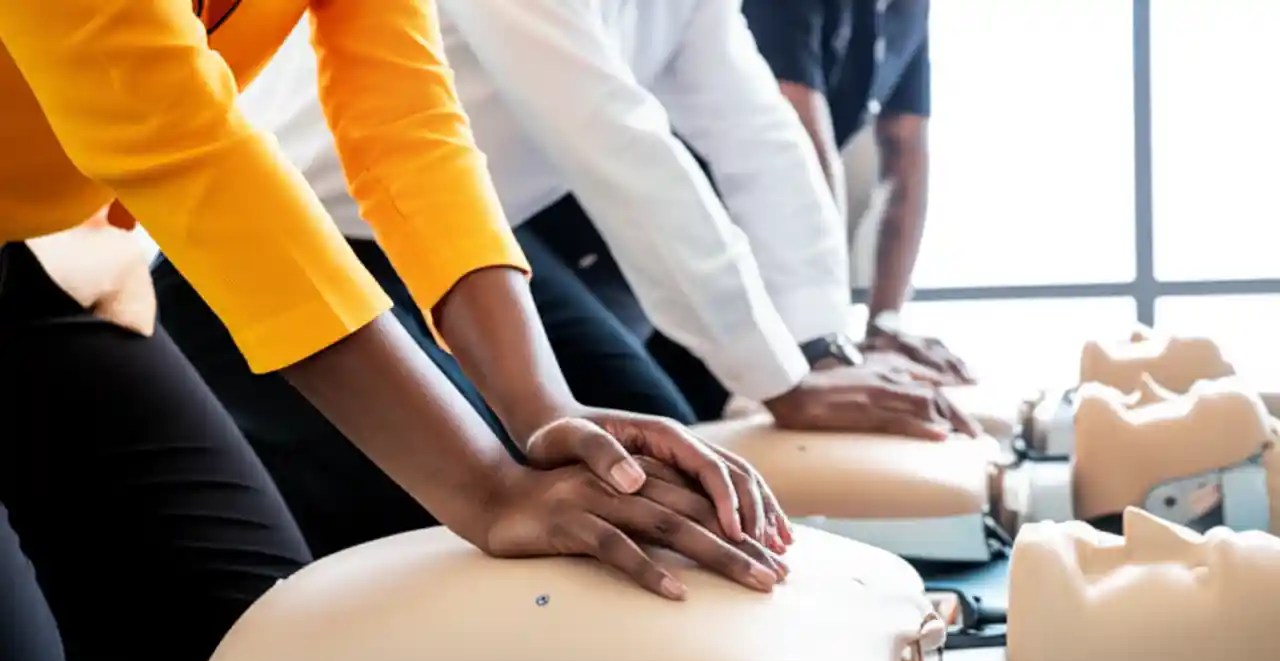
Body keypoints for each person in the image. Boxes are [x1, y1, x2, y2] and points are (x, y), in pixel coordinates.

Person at [0, 2, 786, 661]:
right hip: (138, 220)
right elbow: (184, 136)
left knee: (252, 643)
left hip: (60, 266)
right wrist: (485, 485)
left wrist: (543, 408)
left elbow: (407, 120)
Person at [211, 0, 979, 446]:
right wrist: (781, 380)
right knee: (501, 478)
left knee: (660, 433)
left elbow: (757, 135)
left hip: (461, 244)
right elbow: (614, 139)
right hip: (315, 240)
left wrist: (818, 344)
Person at [742, 0, 971, 379]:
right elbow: (804, 158)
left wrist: (885, 324)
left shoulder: (909, 9)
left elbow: (906, 156)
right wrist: (827, 340)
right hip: (680, 239)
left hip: (772, 254)